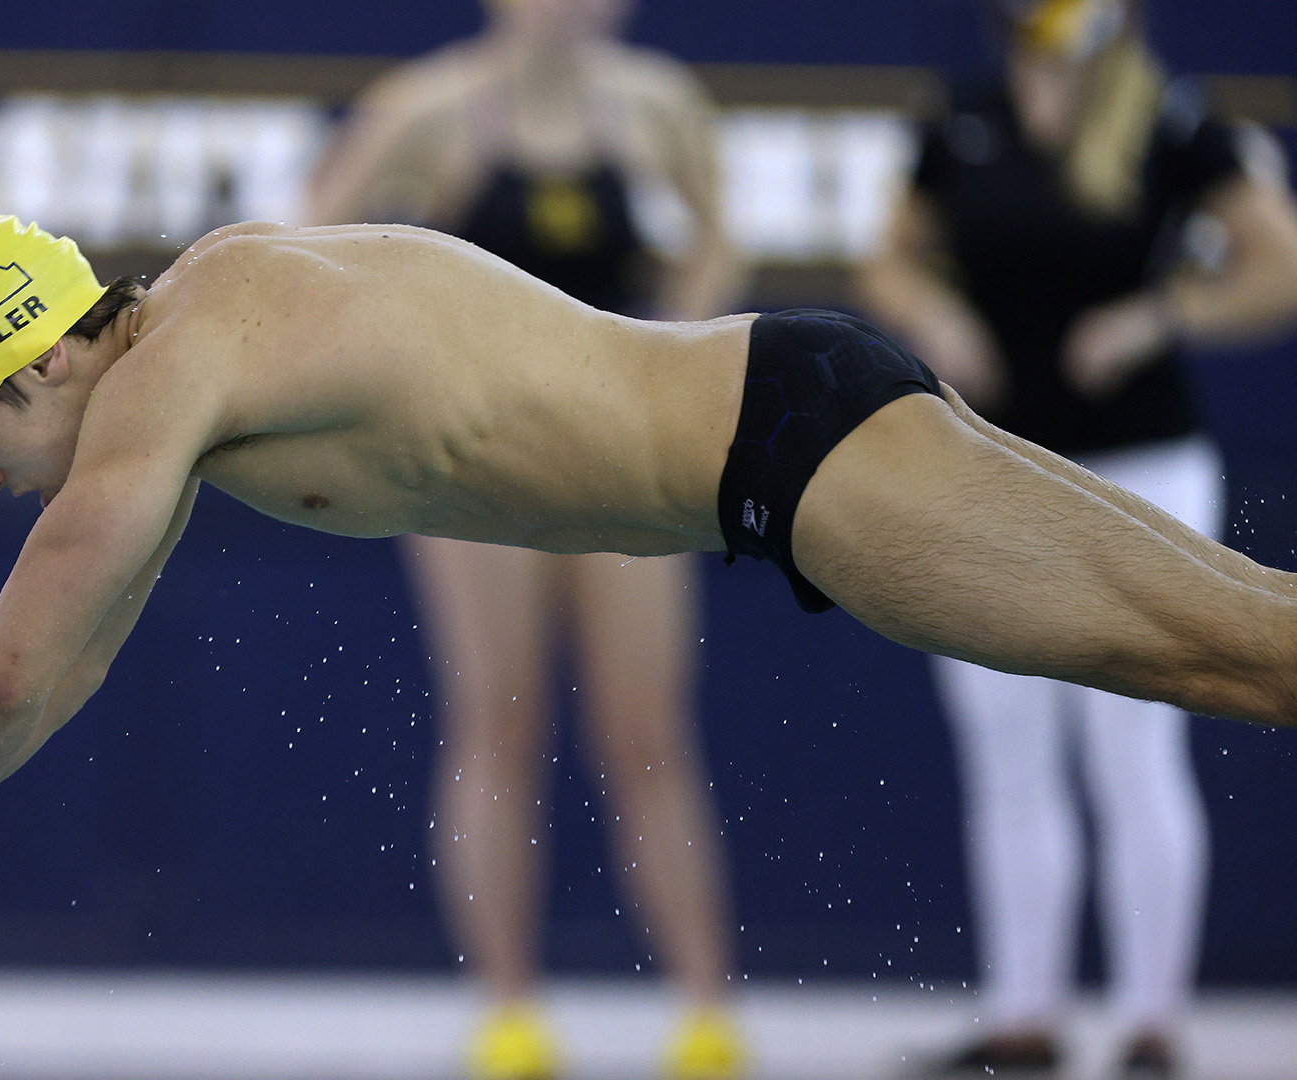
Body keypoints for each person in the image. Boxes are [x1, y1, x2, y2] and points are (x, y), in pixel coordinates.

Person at [0, 212, 1297, 1034]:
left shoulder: (178, 368)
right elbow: (66, 662)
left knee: (1231, 657)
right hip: (795, 421)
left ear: (29, 366)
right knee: (1258, 644)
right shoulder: (199, 341)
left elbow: (8, 679)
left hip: (794, 450)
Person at [300, 0, 748, 1074]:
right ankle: (508, 1012)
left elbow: (722, 242)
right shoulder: (429, 110)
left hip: (622, 453)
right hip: (478, 462)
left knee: (647, 734)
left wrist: (669, 351)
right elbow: (311, 241)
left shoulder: (656, 106)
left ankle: (705, 1013)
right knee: (497, 725)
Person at [855, 0, 1297, 1074]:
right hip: (995, 467)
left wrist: (1162, 317)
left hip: (1141, 464)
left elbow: (1277, 266)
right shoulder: (962, 117)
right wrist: (936, 315)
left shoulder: (1175, 123)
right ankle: (1027, 1015)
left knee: (1132, 745)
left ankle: (1151, 1020)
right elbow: (889, 263)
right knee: (1008, 748)